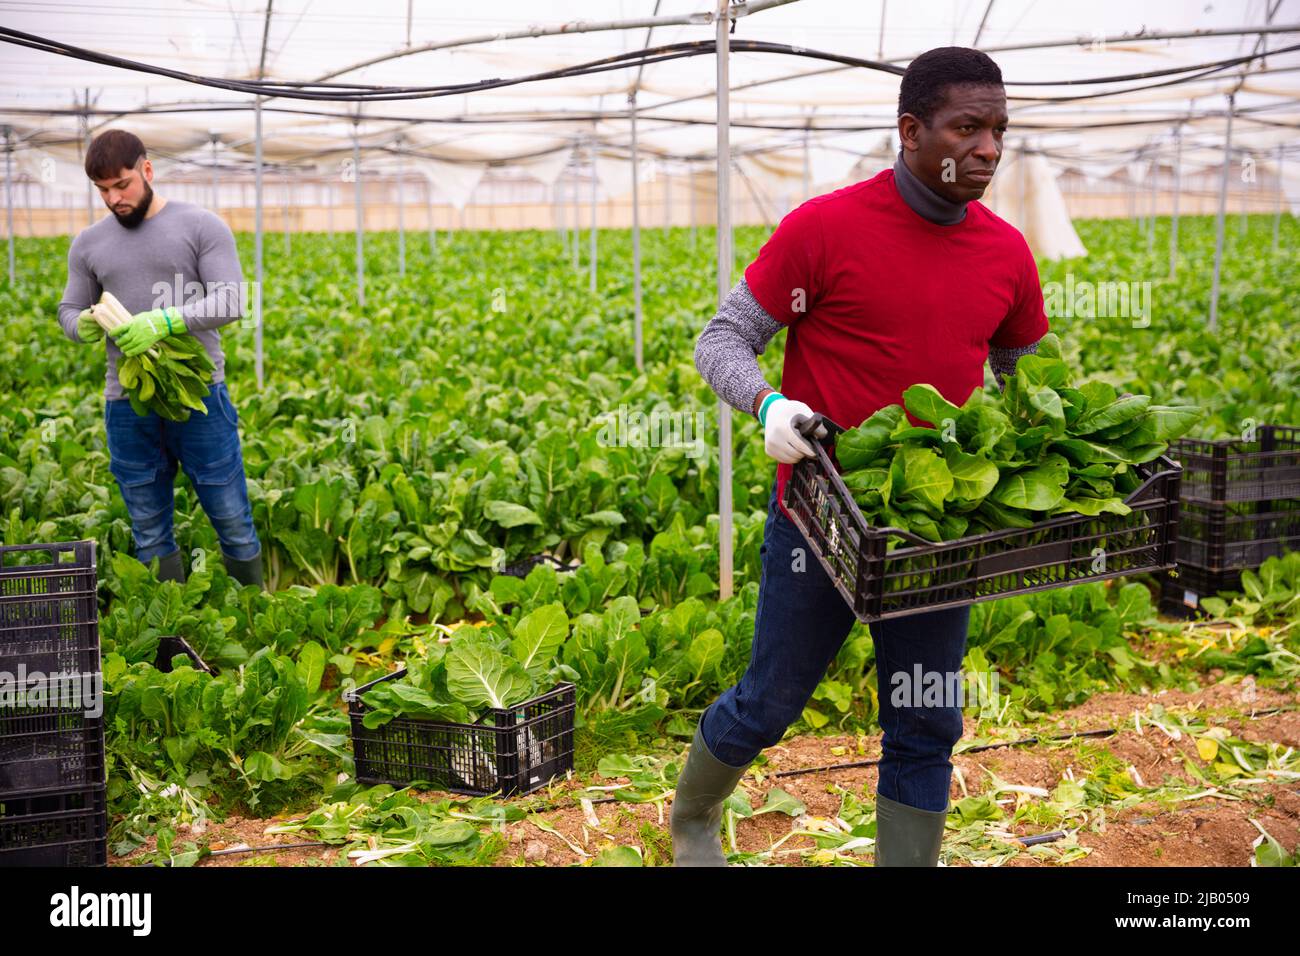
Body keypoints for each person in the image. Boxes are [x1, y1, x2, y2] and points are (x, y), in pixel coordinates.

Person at [682, 47, 1049, 866]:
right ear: (912, 130)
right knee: (770, 703)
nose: (989, 148)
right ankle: (693, 822)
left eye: (999, 129)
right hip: (822, 520)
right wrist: (769, 404)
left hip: (933, 532)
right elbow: (723, 339)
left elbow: (1035, 391)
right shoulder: (826, 228)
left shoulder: (1007, 254)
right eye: (968, 127)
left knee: (926, 718)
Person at [57, 129, 263, 588]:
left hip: (199, 395)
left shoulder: (201, 226)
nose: (114, 198)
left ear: (147, 170)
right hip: (127, 402)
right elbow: (69, 311)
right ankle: (171, 630)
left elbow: (231, 301)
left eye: (122, 184)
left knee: (229, 513)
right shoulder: (88, 244)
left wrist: (164, 321)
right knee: (148, 526)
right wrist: (83, 325)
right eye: (103, 190)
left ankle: (254, 612)